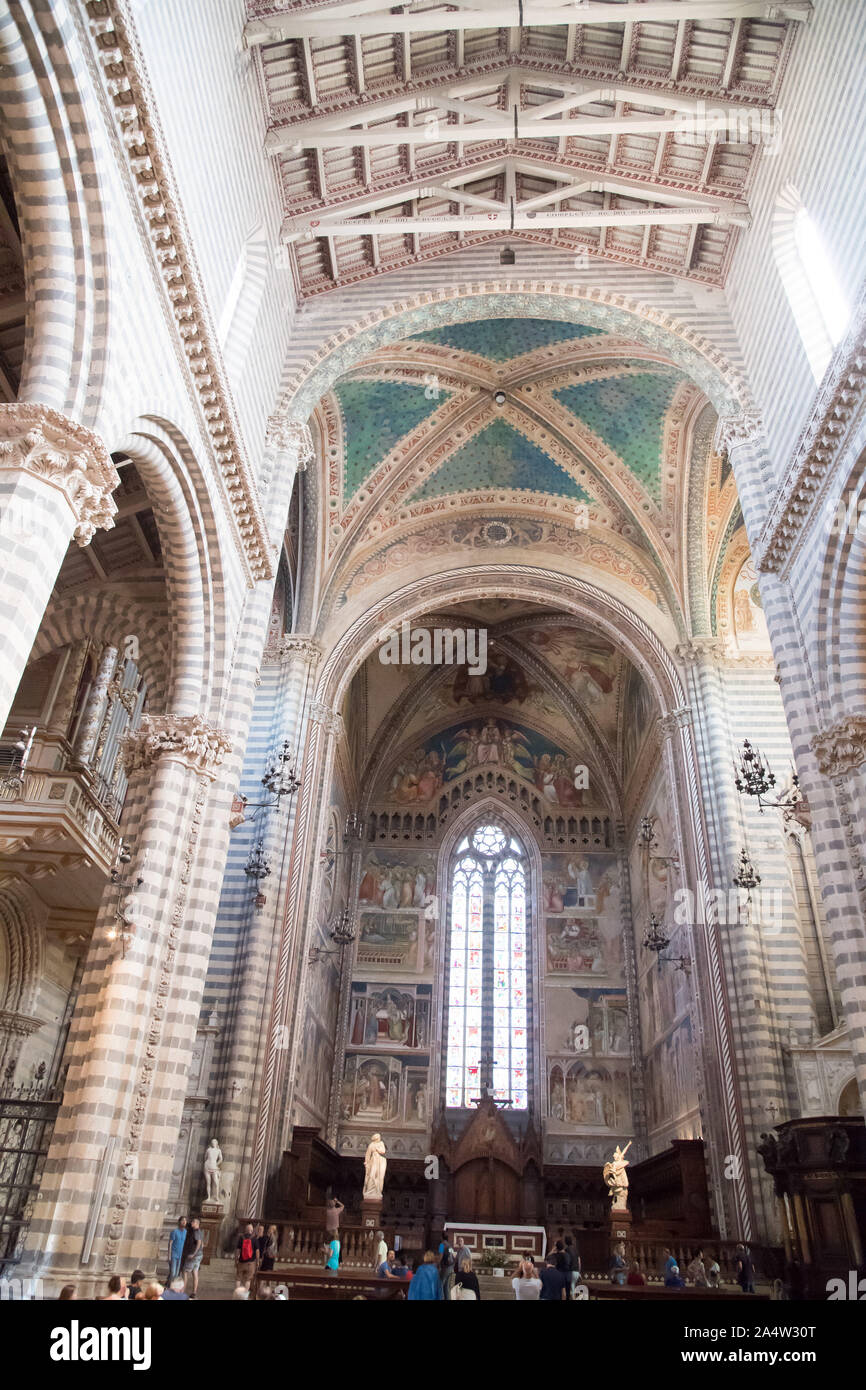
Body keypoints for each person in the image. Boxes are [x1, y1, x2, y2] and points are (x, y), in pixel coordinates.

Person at [182, 1217, 204, 1298]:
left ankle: (182, 1291)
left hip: (194, 1256)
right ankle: (194, 1292)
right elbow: (202, 1245)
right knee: (195, 1273)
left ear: (197, 1223)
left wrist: (194, 1254)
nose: (191, 1223)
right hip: (199, 1255)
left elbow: (199, 1243)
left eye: (193, 1222)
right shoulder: (200, 1232)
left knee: (184, 1271)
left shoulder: (196, 1232)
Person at [236, 1222, 257, 1290]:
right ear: (252, 1230)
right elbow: (257, 1251)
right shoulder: (254, 1238)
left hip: (241, 1261)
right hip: (250, 1262)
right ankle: (245, 1295)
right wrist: (257, 1261)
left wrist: (236, 1259)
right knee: (248, 1280)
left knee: (238, 1278)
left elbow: (238, 1250)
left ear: (245, 1230)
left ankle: (237, 1293)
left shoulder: (241, 1238)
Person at [168, 1216, 187, 1283]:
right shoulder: (174, 1232)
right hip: (174, 1254)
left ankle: (173, 1288)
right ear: (179, 1222)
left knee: (177, 1274)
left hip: (181, 1255)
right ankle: (170, 1288)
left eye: (185, 1220)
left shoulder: (186, 1232)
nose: (184, 1222)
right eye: (182, 1220)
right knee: (173, 1273)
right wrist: (169, 1256)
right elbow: (170, 1244)